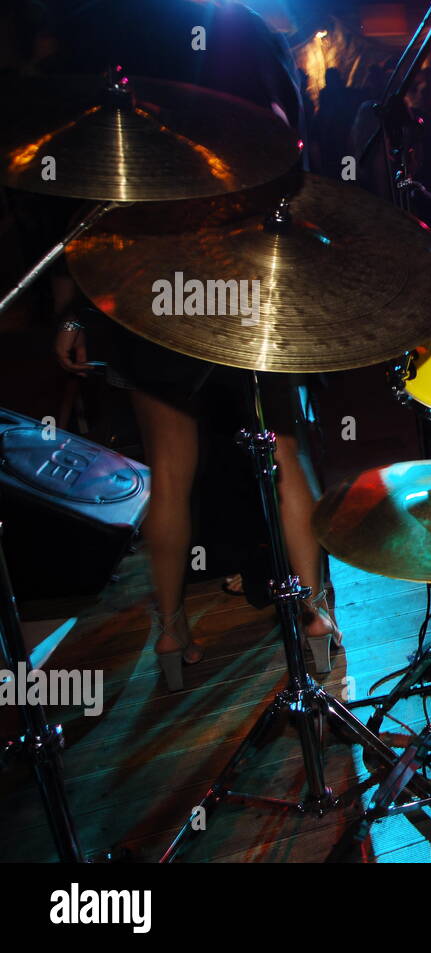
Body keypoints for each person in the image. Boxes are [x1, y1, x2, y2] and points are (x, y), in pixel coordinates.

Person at [43, 0, 341, 690]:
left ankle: (173, 633)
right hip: (243, 273)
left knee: (171, 468)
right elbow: (287, 155)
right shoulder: (253, 40)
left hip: (158, 279)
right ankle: (319, 616)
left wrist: (73, 312)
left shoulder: (132, 35)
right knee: (286, 453)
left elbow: (95, 195)